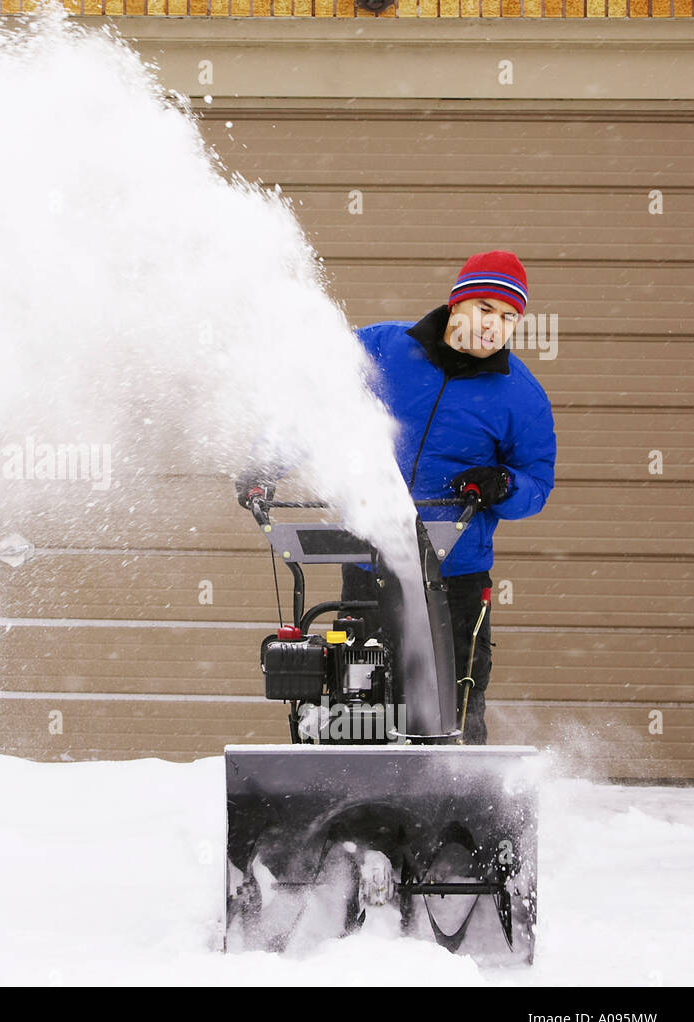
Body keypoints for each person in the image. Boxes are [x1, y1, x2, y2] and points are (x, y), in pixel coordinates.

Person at [237, 251, 556, 744]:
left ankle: (455, 804)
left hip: (456, 577)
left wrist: (502, 484)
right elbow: (315, 404)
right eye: (487, 308)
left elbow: (536, 482)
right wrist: (264, 467)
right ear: (458, 303)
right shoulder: (382, 346)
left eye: (511, 317)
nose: (497, 326)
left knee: (452, 709)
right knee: (357, 700)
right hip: (367, 568)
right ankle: (354, 805)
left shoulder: (521, 397)